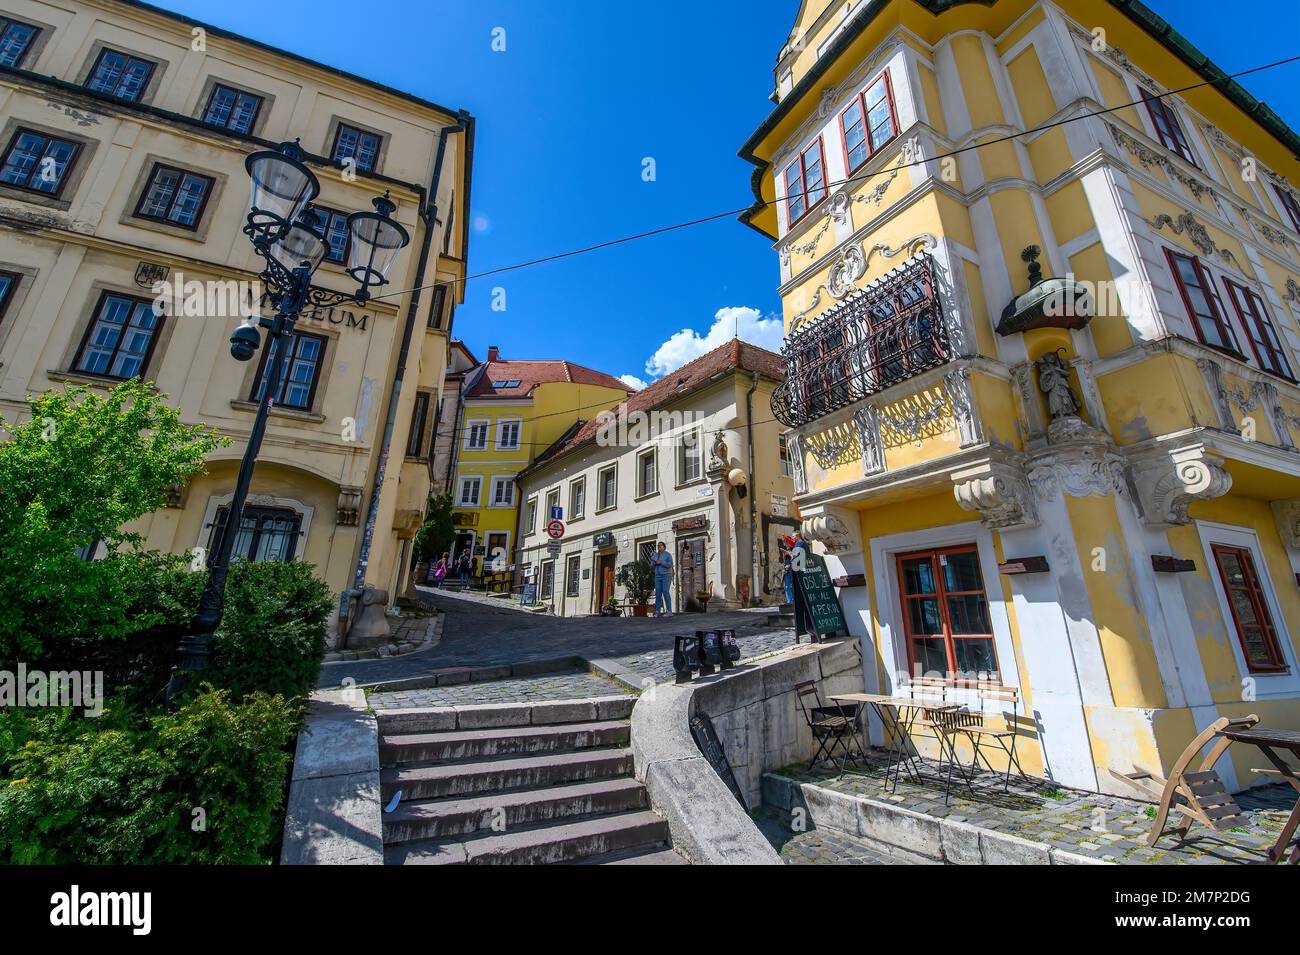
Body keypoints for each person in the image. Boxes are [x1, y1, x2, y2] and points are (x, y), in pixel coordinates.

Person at [649, 541, 673, 618]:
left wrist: (661, 562)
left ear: (664, 547)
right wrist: (654, 563)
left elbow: (670, 565)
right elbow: (651, 566)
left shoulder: (668, 555)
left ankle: (669, 611)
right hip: (657, 576)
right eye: (658, 546)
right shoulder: (655, 555)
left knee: (665, 591)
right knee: (658, 593)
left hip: (666, 575)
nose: (659, 547)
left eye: (661, 546)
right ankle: (657, 611)